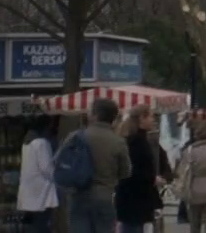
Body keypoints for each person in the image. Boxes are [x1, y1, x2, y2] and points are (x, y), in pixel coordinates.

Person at [60, 97, 133, 233]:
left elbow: (60, 162)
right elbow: (126, 171)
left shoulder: (75, 137)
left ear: (95, 115)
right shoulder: (118, 142)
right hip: (104, 197)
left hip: (77, 195)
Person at [116, 106, 166, 233]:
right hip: (135, 199)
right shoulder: (136, 142)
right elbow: (133, 170)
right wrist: (153, 179)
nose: (153, 120)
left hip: (134, 198)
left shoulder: (137, 140)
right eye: (150, 116)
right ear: (141, 118)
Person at [18, 125, 58, 233]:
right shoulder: (41, 143)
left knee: (33, 223)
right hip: (41, 193)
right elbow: (46, 168)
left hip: (29, 193)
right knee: (41, 224)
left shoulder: (27, 144)